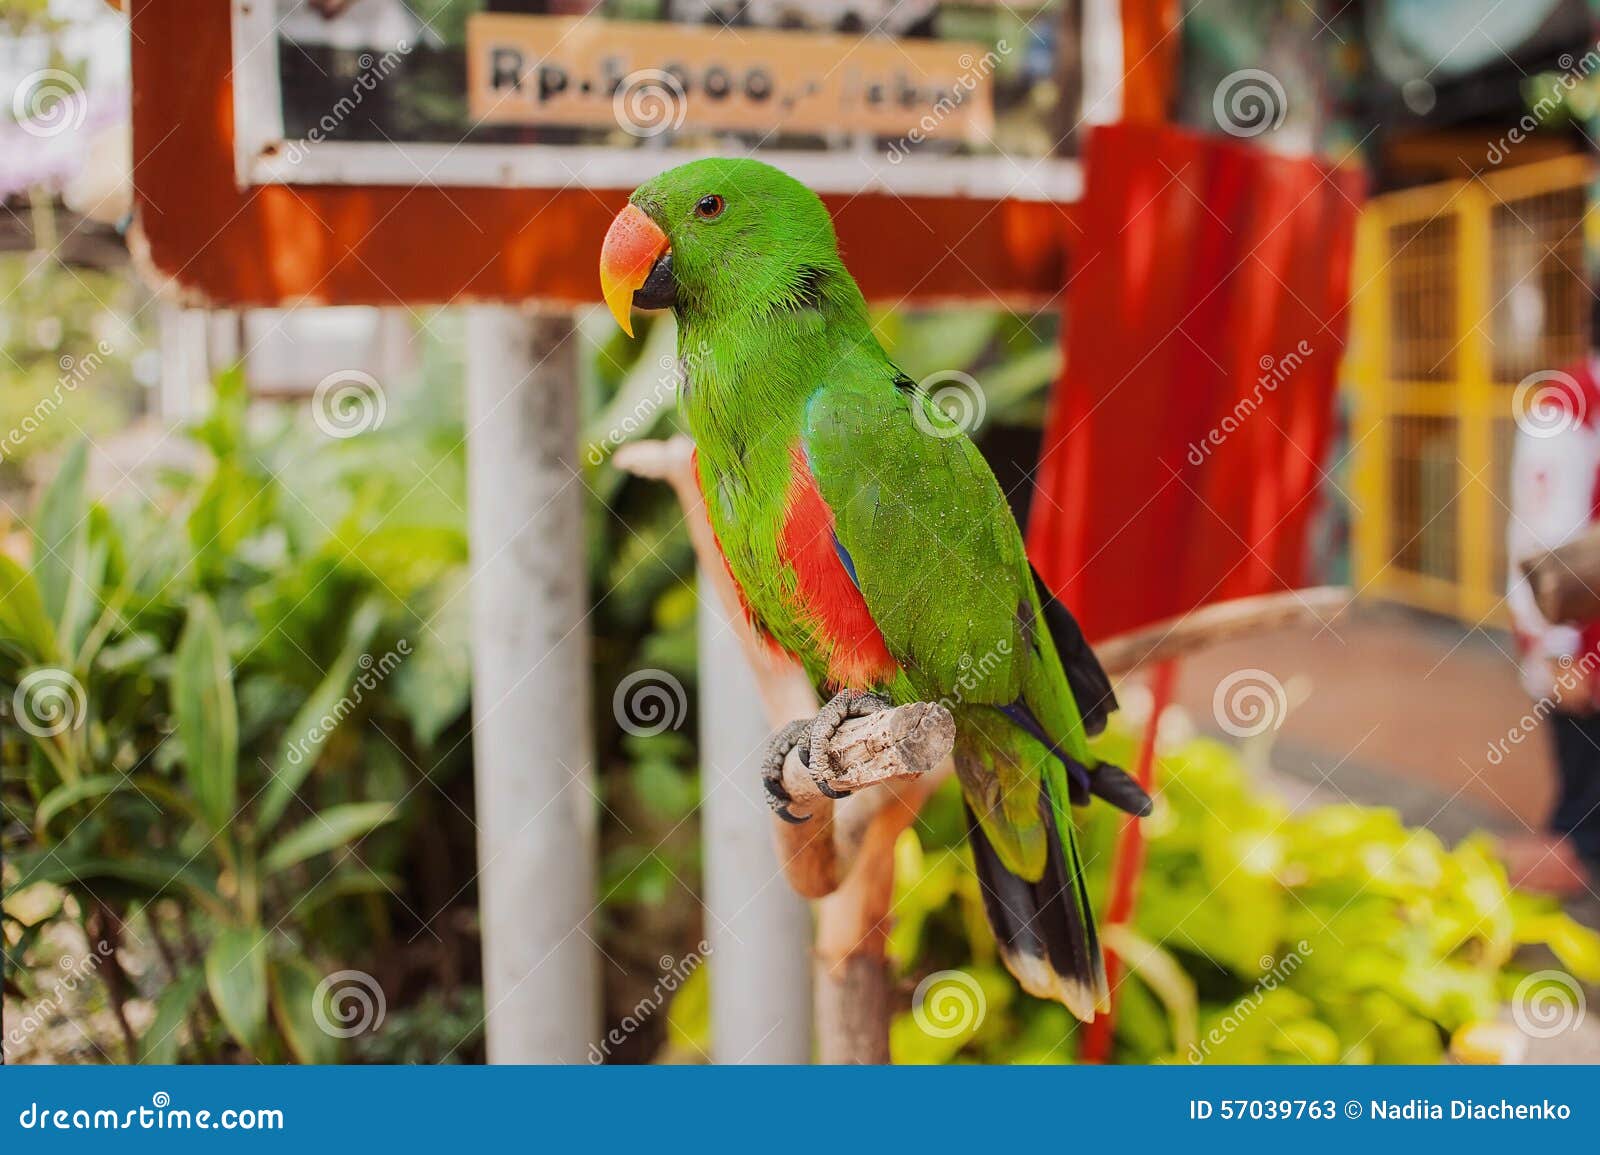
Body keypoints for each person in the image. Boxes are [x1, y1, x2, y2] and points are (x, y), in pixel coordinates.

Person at [1504, 360, 1600, 894]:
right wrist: (1562, 651)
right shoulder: (1565, 412)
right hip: (1579, 643)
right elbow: (1547, 544)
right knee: (1580, 814)